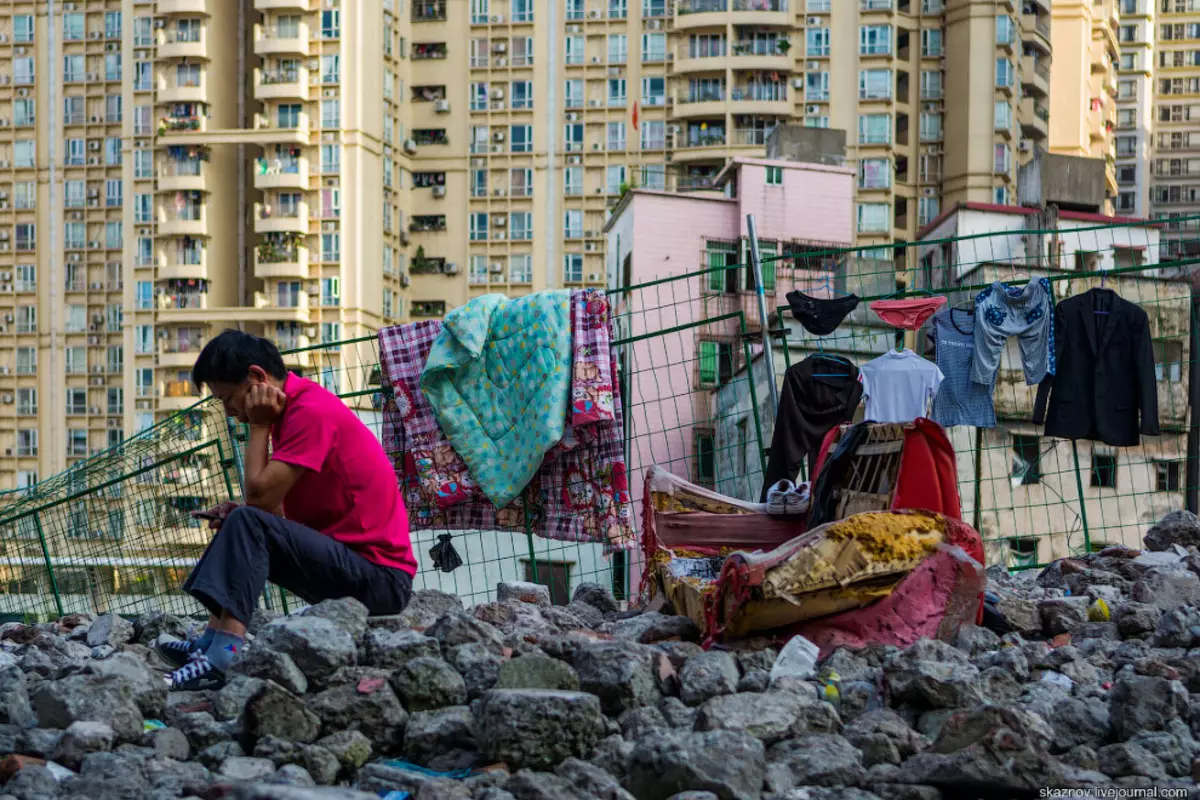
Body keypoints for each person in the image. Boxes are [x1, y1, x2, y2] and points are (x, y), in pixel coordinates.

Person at [161, 330, 417, 690]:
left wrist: (260, 425)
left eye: (228, 399)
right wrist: (243, 515)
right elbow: (274, 512)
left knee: (248, 519)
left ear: (256, 379)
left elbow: (260, 499)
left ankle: (224, 654)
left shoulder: (310, 412)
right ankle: (209, 642)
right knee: (242, 520)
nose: (230, 412)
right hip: (354, 567)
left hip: (381, 581)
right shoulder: (296, 410)